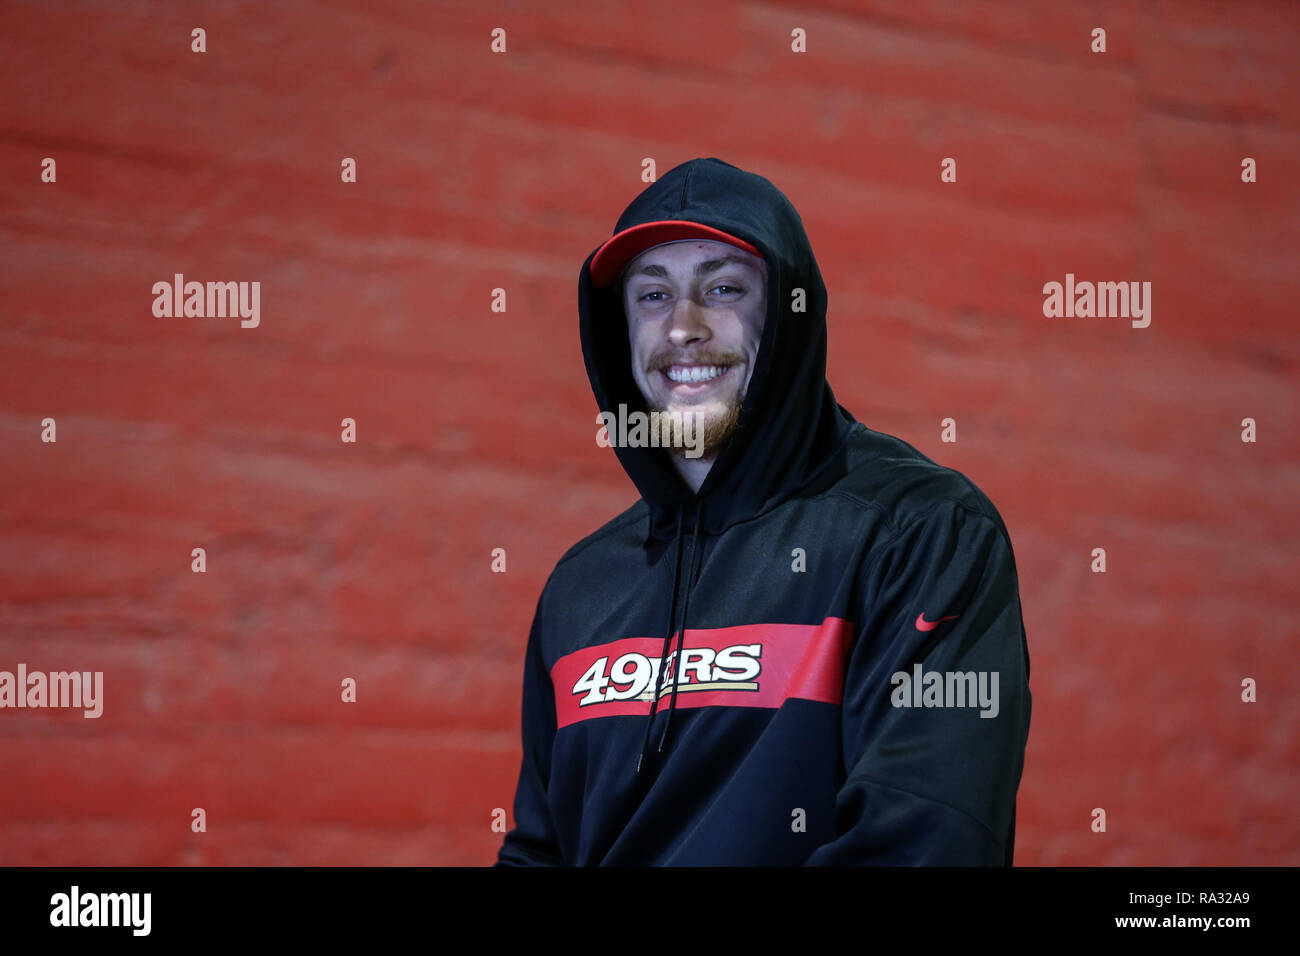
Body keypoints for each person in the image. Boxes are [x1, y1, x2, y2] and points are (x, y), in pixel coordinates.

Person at [495, 157, 1031, 866]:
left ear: (787, 314)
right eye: (652, 296)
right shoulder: (582, 586)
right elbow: (540, 851)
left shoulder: (923, 533)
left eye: (722, 289)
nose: (682, 328)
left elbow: (924, 843)